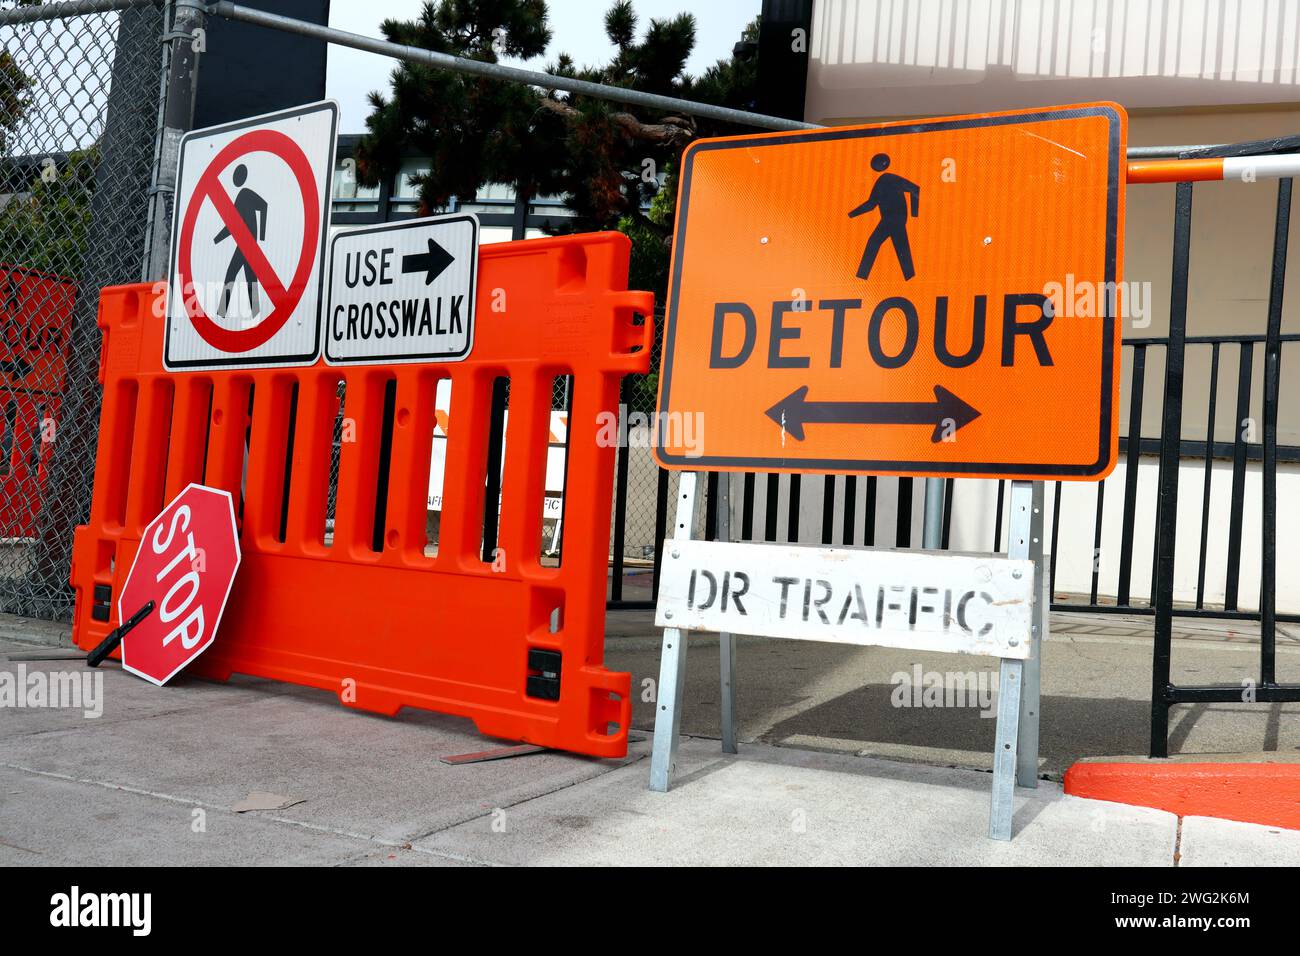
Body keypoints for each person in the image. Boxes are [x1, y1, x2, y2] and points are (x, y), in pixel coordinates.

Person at [848, 153, 920, 281]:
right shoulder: (882, 181)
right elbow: (871, 204)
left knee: (874, 243)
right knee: (901, 246)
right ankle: (910, 277)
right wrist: (851, 215)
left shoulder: (887, 178)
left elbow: (915, 189)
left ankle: (861, 277)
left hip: (892, 219)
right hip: (894, 219)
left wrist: (915, 214)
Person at [214, 164, 269, 319]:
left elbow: (264, 206)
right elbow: (232, 225)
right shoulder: (239, 199)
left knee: (232, 274)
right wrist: (216, 240)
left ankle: (221, 313)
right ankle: (256, 314)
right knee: (250, 280)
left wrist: (262, 235)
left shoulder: (245, 194)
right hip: (244, 244)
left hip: (249, 244)